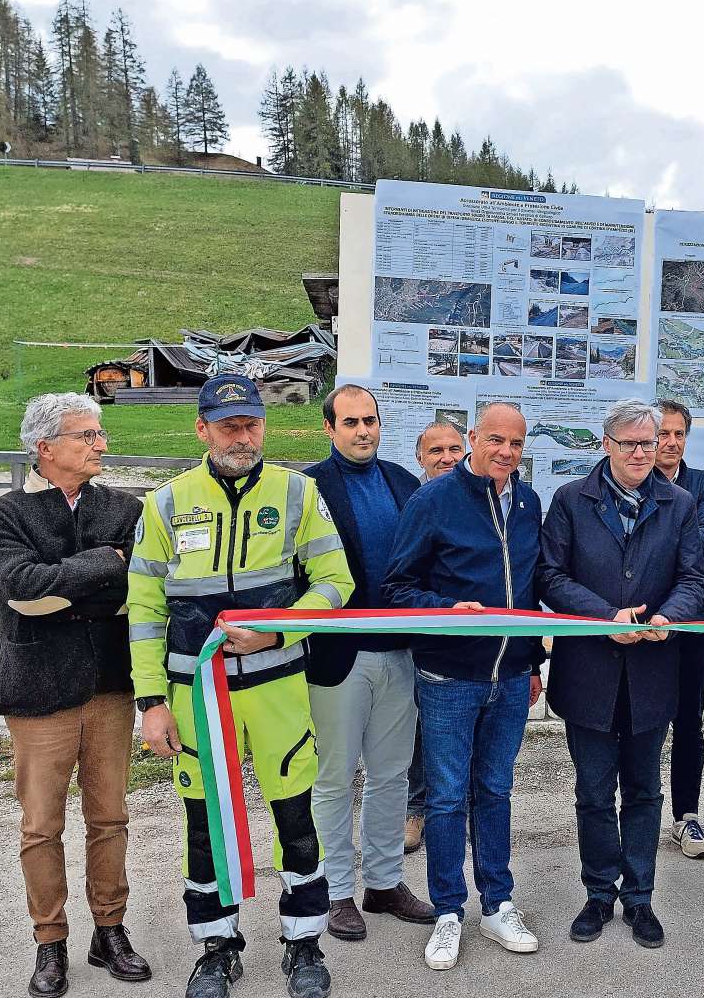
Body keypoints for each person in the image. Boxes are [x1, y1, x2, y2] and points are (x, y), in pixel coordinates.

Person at [127, 374, 356, 998]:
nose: (242, 436)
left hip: (278, 687)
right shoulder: (166, 503)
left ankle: (304, 944)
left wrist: (278, 633)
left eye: (251, 424)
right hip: (195, 693)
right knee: (204, 826)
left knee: (296, 820)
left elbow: (336, 584)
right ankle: (217, 947)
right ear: (201, 430)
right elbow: (144, 609)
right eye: (228, 425)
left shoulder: (298, 492)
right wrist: (150, 702)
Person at [0, 394, 149, 998]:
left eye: (100, 433)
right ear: (45, 447)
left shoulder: (128, 507)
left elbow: (138, 590)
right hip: (37, 690)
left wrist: (68, 583)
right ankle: (49, 943)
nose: (101, 444)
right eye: (87, 435)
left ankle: (110, 931)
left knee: (110, 818)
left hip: (110, 685)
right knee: (41, 826)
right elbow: (22, 592)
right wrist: (106, 561)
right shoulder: (1, 515)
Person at [539, 399, 704, 949]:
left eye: (649, 442)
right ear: (606, 445)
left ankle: (639, 896)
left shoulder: (679, 503)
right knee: (592, 791)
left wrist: (668, 616)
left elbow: (693, 578)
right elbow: (550, 577)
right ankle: (597, 893)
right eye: (629, 443)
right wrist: (603, 616)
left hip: (653, 670)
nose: (641, 452)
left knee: (643, 791)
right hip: (589, 672)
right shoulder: (570, 501)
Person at [383, 401, 545, 971]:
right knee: (448, 797)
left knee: (495, 791)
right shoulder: (434, 500)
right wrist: (449, 608)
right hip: (449, 675)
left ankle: (498, 904)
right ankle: (449, 910)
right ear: (474, 436)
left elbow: (528, 591)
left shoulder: (528, 501)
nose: (505, 452)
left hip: (510, 675)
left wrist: (532, 661)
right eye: (496, 440)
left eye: (517, 444)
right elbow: (398, 587)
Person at [302, 385, 436, 942]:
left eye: (371, 421)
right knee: (334, 778)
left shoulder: (406, 484)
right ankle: (335, 891)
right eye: (351, 422)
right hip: (338, 657)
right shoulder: (308, 488)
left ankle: (383, 882)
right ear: (330, 429)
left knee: (391, 776)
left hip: (399, 653)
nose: (364, 431)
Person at [652, 398, 704, 860]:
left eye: (678, 434)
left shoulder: (703, 483)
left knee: (688, 722)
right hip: (642, 622)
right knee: (642, 723)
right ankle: (636, 813)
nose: (670, 443)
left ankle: (687, 817)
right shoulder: (630, 481)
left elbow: (698, 543)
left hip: (691, 621)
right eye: (662, 434)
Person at [403, 419, 468, 852]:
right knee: (418, 731)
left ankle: (458, 811)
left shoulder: (482, 500)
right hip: (425, 635)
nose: (446, 458)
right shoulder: (417, 502)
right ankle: (415, 810)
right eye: (436, 451)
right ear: (420, 458)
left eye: (454, 449)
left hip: (474, 644)